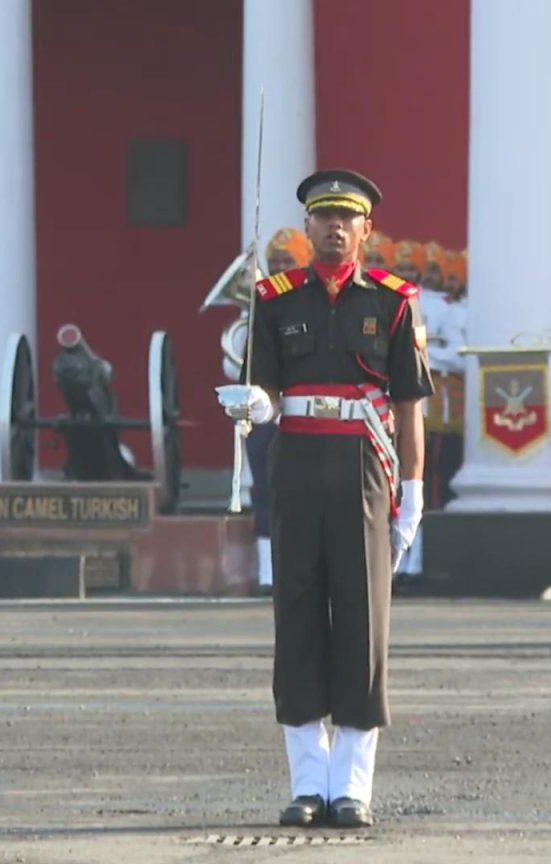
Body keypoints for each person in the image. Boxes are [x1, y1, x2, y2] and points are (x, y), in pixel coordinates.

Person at [217, 168, 432, 829]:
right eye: (323, 217)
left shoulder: (393, 302)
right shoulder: (275, 300)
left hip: (365, 467)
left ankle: (353, 788)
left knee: (364, 624)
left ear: (367, 229)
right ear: (307, 227)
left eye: (347, 218)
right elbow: (266, 390)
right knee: (299, 618)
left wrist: (414, 492)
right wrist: (254, 402)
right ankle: (308, 784)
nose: (335, 227)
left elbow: (409, 406)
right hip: (298, 466)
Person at [225, 228, 315, 596]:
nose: (279, 268)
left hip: (304, 413)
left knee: (306, 495)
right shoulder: (258, 307)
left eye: (287, 261)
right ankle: (268, 574)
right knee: (264, 491)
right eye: (274, 261)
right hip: (264, 417)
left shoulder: (313, 303)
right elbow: (232, 365)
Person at [393, 245, 467, 592]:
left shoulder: (444, 308)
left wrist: (418, 354)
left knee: (427, 481)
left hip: (430, 405)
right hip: (389, 405)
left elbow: (458, 354)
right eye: (401, 266)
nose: (406, 273)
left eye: (413, 267)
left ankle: (417, 558)